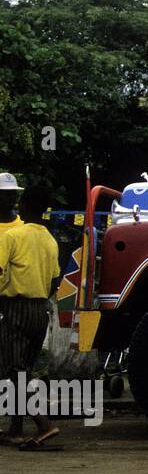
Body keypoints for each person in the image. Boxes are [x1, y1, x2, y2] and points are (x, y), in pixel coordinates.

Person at [0, 174, 64, 449]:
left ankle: (44, 425)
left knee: (14, 373)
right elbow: (54, 281)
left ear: (23, 205)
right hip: (40, 311)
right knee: (23, 370)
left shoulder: (13, 236)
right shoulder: (50, 240)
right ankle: (15, 429)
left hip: (14, 308)